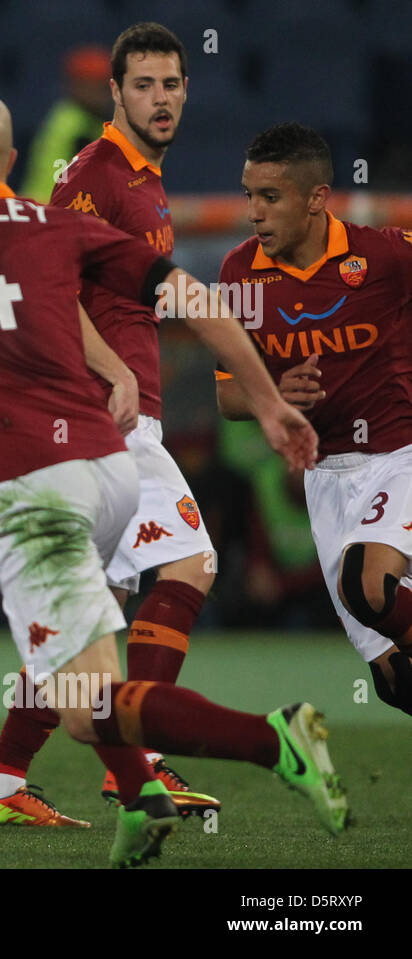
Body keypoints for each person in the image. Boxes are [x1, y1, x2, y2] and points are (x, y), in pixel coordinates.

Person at [0, 89, 346, 867]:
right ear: (14, 164)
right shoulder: (56, 226)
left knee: (86, 706)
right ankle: (134, 795)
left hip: (34, 492)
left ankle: (272, 738)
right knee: (91, 659)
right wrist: (267, 401)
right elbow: (193, 297)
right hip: (112, 469)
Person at [0, 22, 223, 826]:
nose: (161, 98)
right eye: (143, 85)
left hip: (111, 411)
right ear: (114, 93)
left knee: (89, 614)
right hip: (105, 415)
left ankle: (0, 784)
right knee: (191, 566)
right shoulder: (98, 173)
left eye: (171, 83)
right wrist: (110, 370)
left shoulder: (143, 178)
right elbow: (41, 277)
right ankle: (135, 761)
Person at [217, 122, 412, 717]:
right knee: (394, 681)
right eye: (249, 195)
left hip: (399, 455)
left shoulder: (385, 257)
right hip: (326, 476)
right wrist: (273, 396)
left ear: (317, 197)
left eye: (269, 197)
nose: (254, 212)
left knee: (367, 587)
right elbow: (228, 398)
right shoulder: (238, 275)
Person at [17, 45, 114, 202]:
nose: (102, 94)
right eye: (94, 85)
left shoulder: (65, 115)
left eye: (105, 86)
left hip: (43, 206)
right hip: (52, 209)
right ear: (76, 85)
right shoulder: (77, 126)